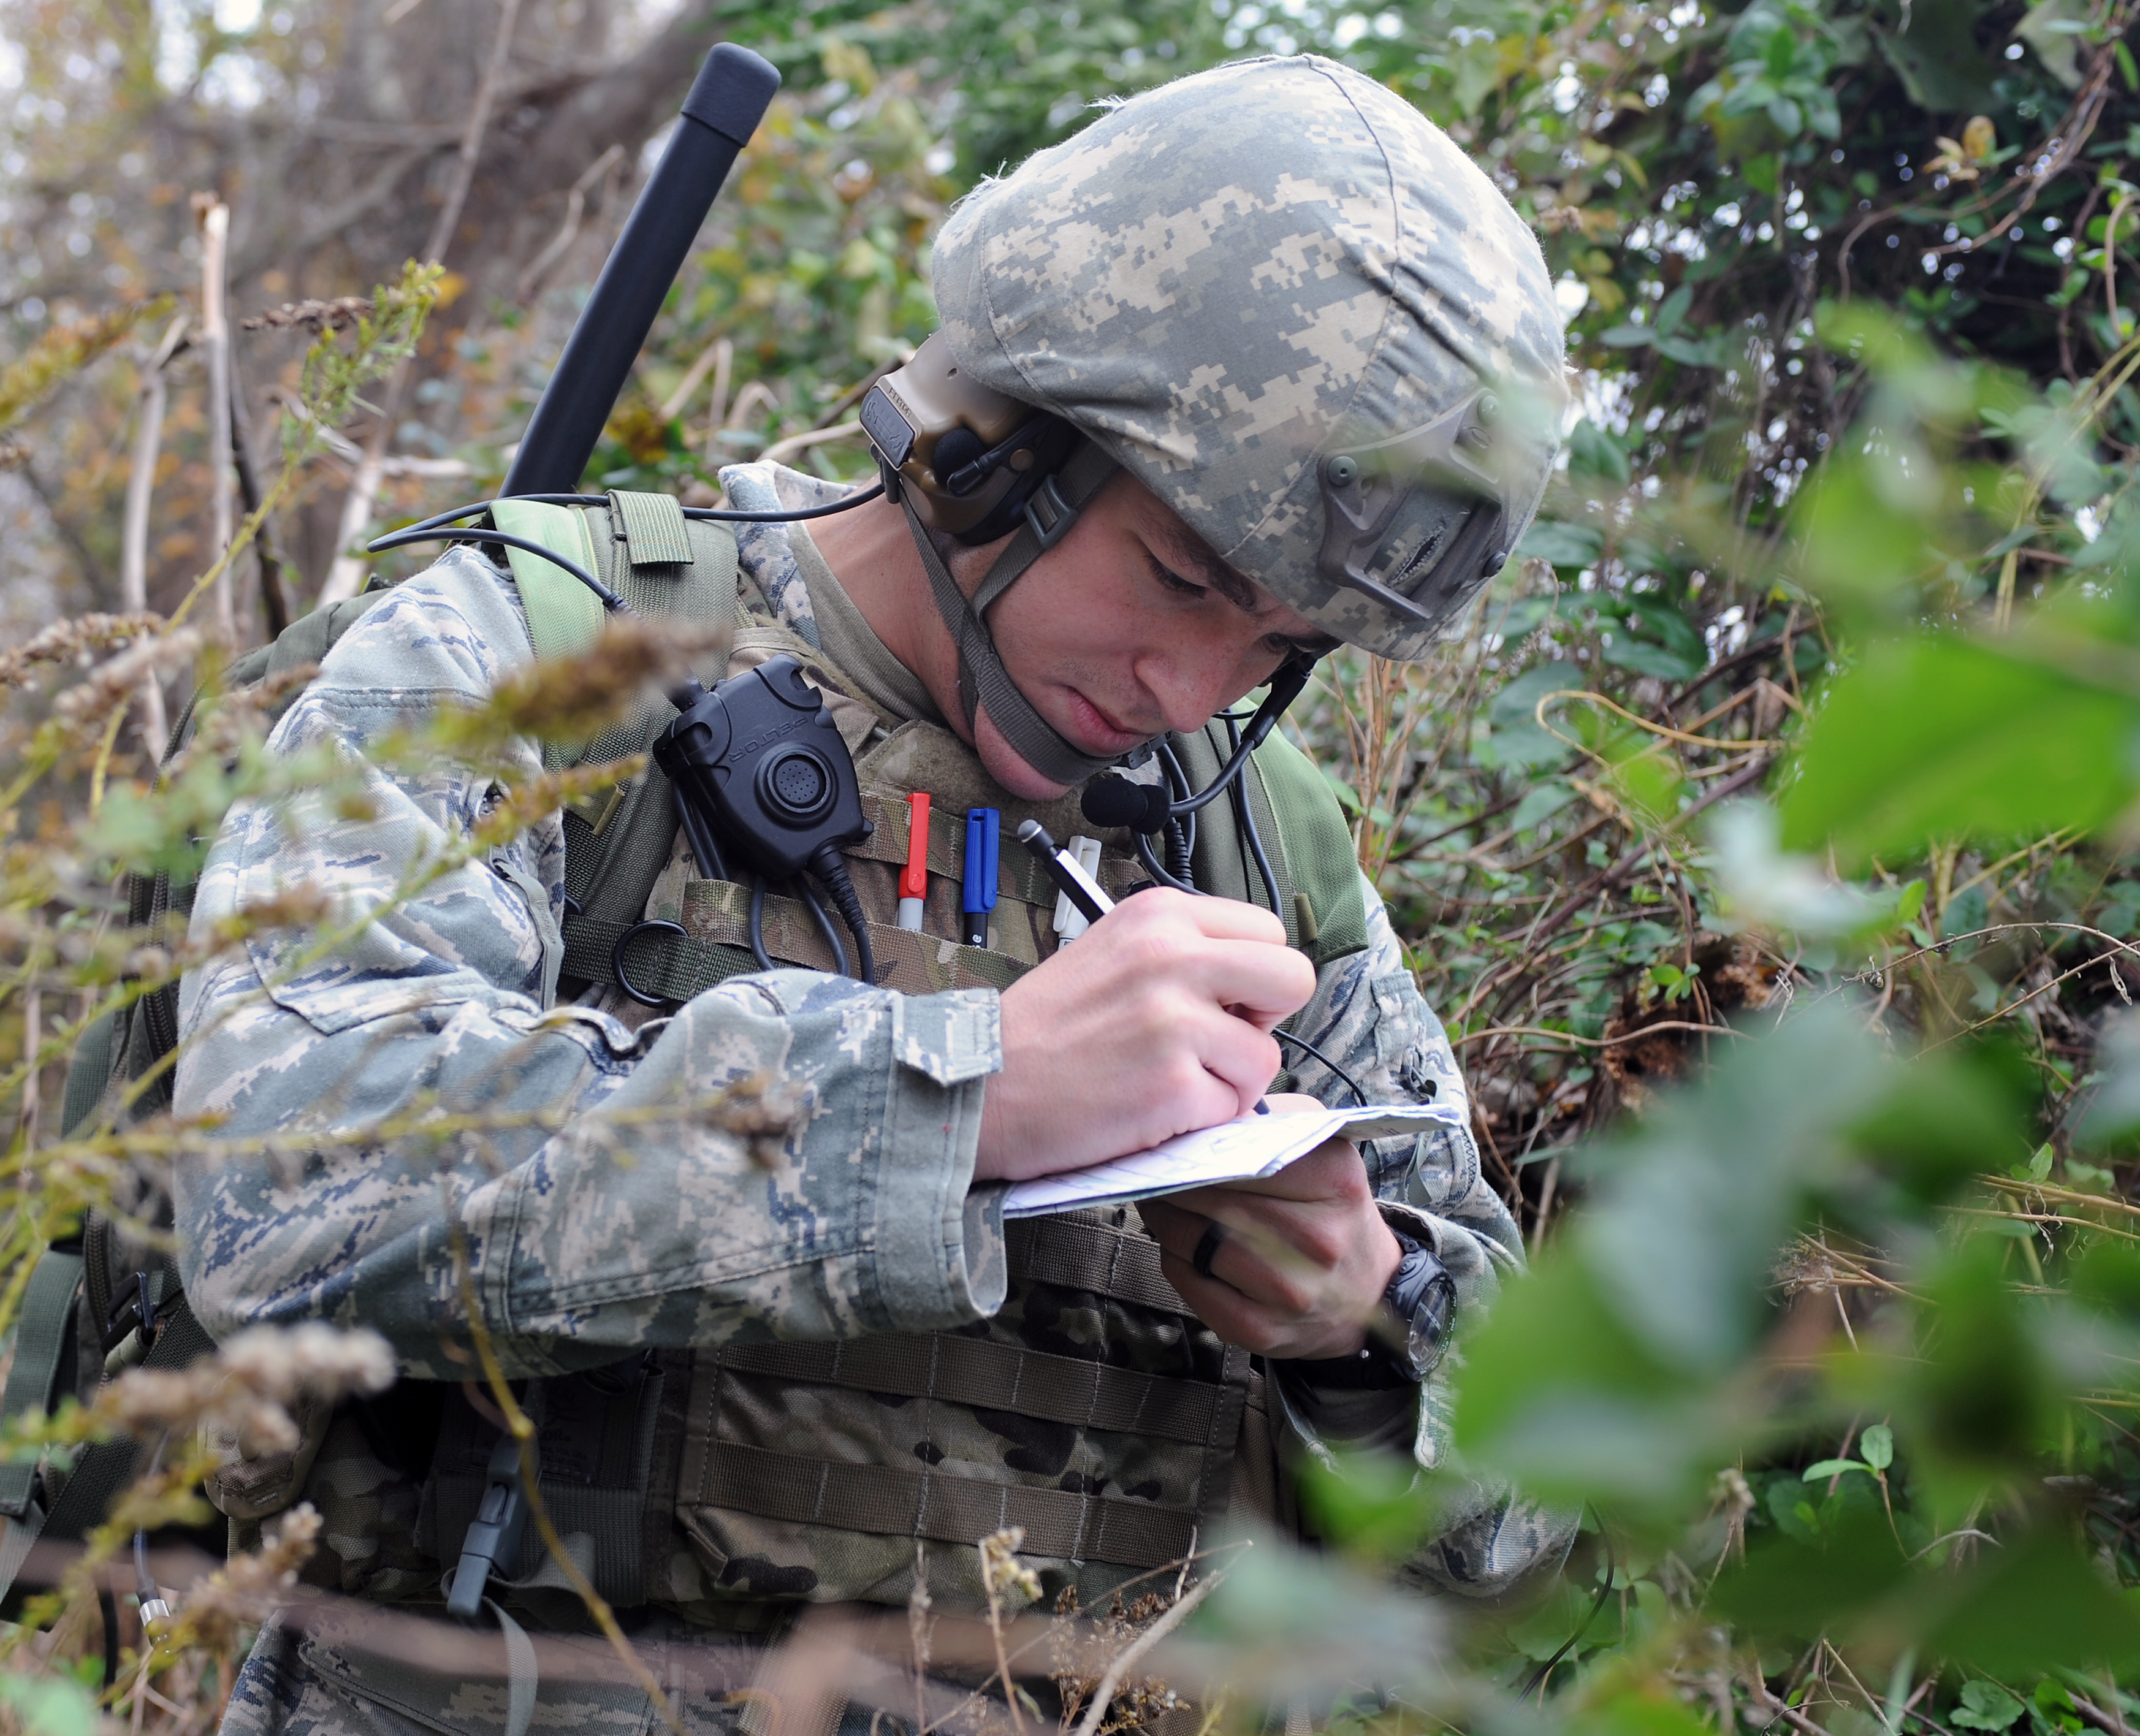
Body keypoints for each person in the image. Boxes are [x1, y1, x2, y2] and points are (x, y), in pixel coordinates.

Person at [173, 50, 1573, 1736]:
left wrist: (1362, 1320)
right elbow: (278, 1188)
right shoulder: (547, 659)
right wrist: (959, 1103)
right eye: (1181, 576)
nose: (1187, 689)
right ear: (987, 448)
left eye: (1279, 646)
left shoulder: (1251, 845)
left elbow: (1536, 1523)